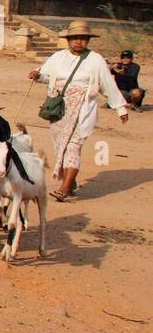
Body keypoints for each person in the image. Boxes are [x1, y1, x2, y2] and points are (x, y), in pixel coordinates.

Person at [27, 19, 129, 202]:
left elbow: (108, 84)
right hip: (58, 111)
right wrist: (37, 75)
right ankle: (70, 180)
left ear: (88, 40)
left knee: (73, 147)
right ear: (68, 40)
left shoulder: (95, 60)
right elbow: (45, 76)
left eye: (82, 38)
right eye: (75, 38)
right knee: (61, 147)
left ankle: (64, 188)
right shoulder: (58, 57)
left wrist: (120, 108)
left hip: (82, 111)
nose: (79, 41)